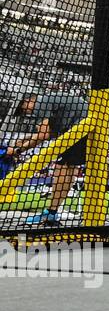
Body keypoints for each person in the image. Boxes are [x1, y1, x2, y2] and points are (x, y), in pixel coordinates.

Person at [11, 91, 89, 226]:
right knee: (70, 170)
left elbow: (43, 135)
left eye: (24, 109)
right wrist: (26, 140)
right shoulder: (53, 101)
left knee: (61, 169)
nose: (27, 113)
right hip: (84, 128)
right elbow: (49, 133)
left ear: (29, 100)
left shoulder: (41, 102)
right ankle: (52, 213)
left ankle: (50, 213)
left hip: (76, 129)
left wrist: (19, 150)